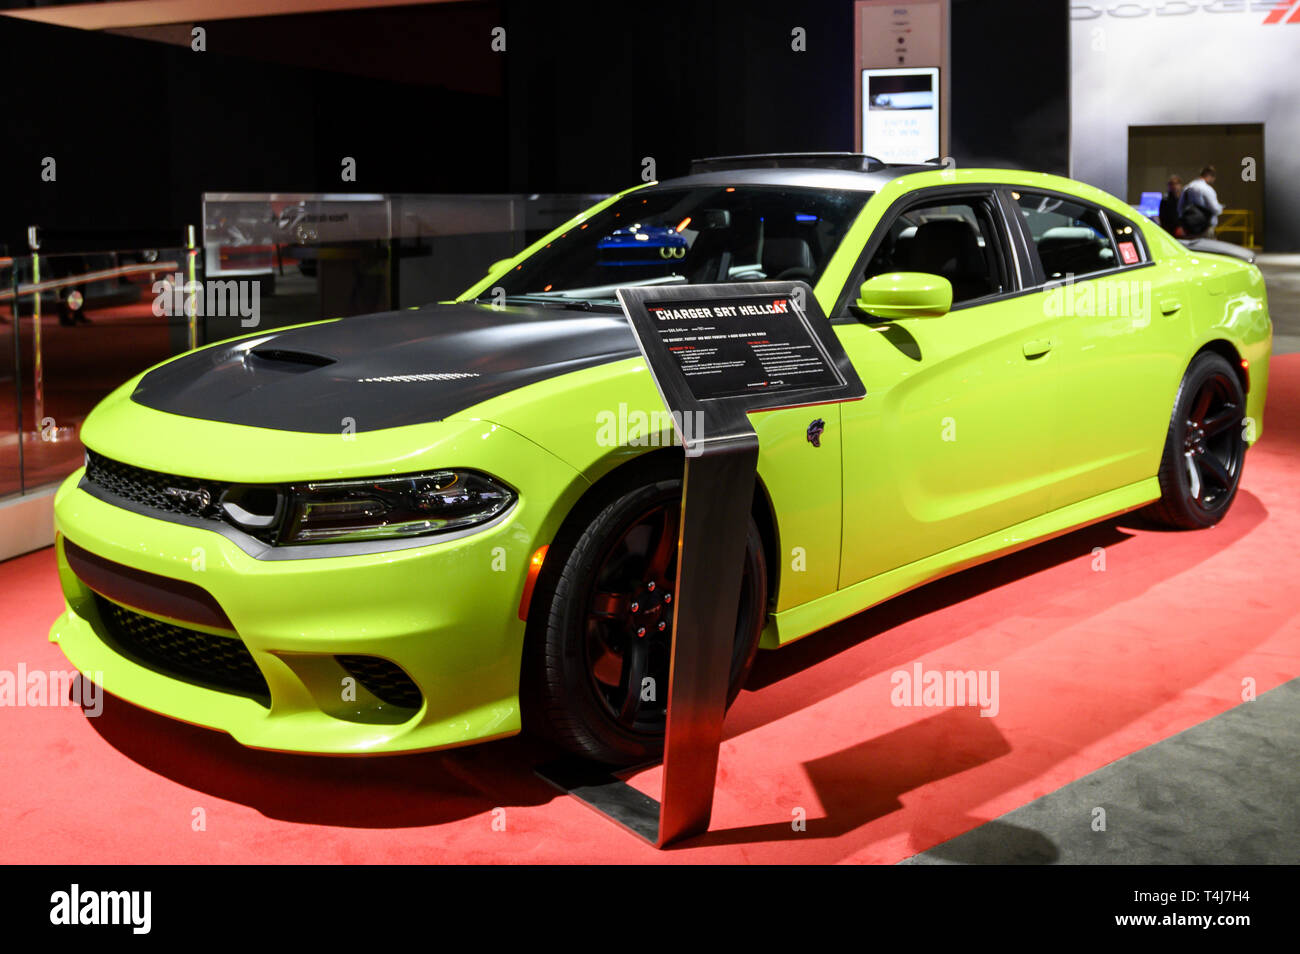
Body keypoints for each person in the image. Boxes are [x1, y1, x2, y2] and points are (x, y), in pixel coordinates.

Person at [1178, 165, 1224, 238]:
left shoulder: (1187, 187)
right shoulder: (1207, 189)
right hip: (1204, 228)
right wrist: (1220, 208)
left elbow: (1180, 208)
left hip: (1188, 228)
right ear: (1209, 176)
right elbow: (1215, 209)